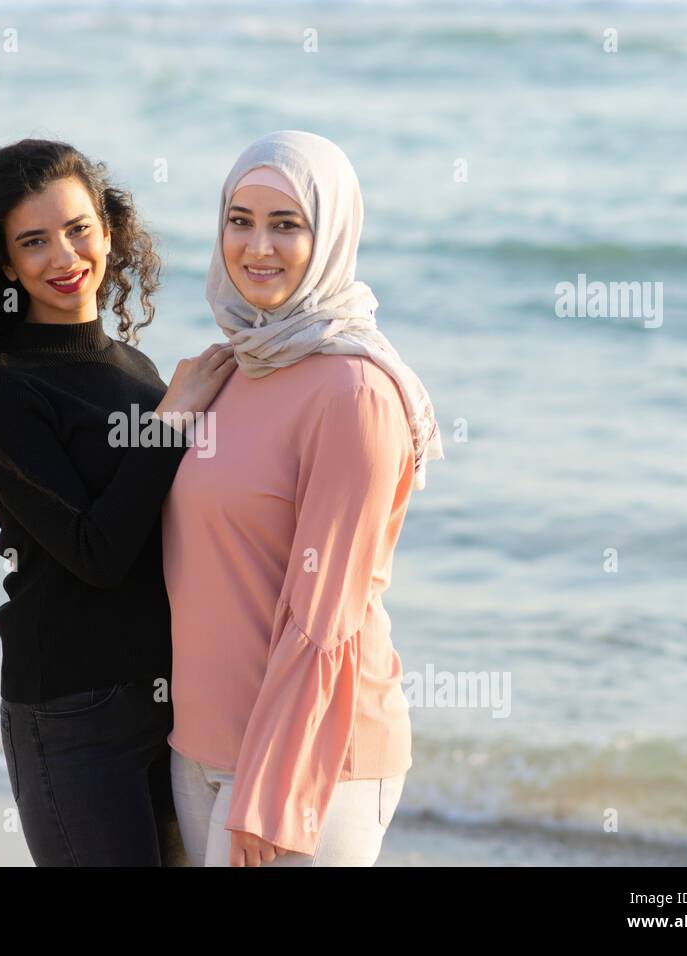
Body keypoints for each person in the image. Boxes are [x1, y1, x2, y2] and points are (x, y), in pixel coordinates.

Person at [0, 138, 234, 866]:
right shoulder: (1, 389)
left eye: (78, 229)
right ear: (5, 265)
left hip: (169, 706)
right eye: (33, 242)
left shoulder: (135, 370)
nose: (65, 257)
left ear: (109, 230)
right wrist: (174, 422)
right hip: (72, 714)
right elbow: (97, 553)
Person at [163, 130, 445, 867]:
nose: (257, 246)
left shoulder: (356, 393)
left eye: (287, 225)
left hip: (310, 762)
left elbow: (324, 616)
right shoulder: (233, 364)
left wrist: (273, 789)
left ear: (331, 236)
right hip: (197, 748)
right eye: (240, 219)